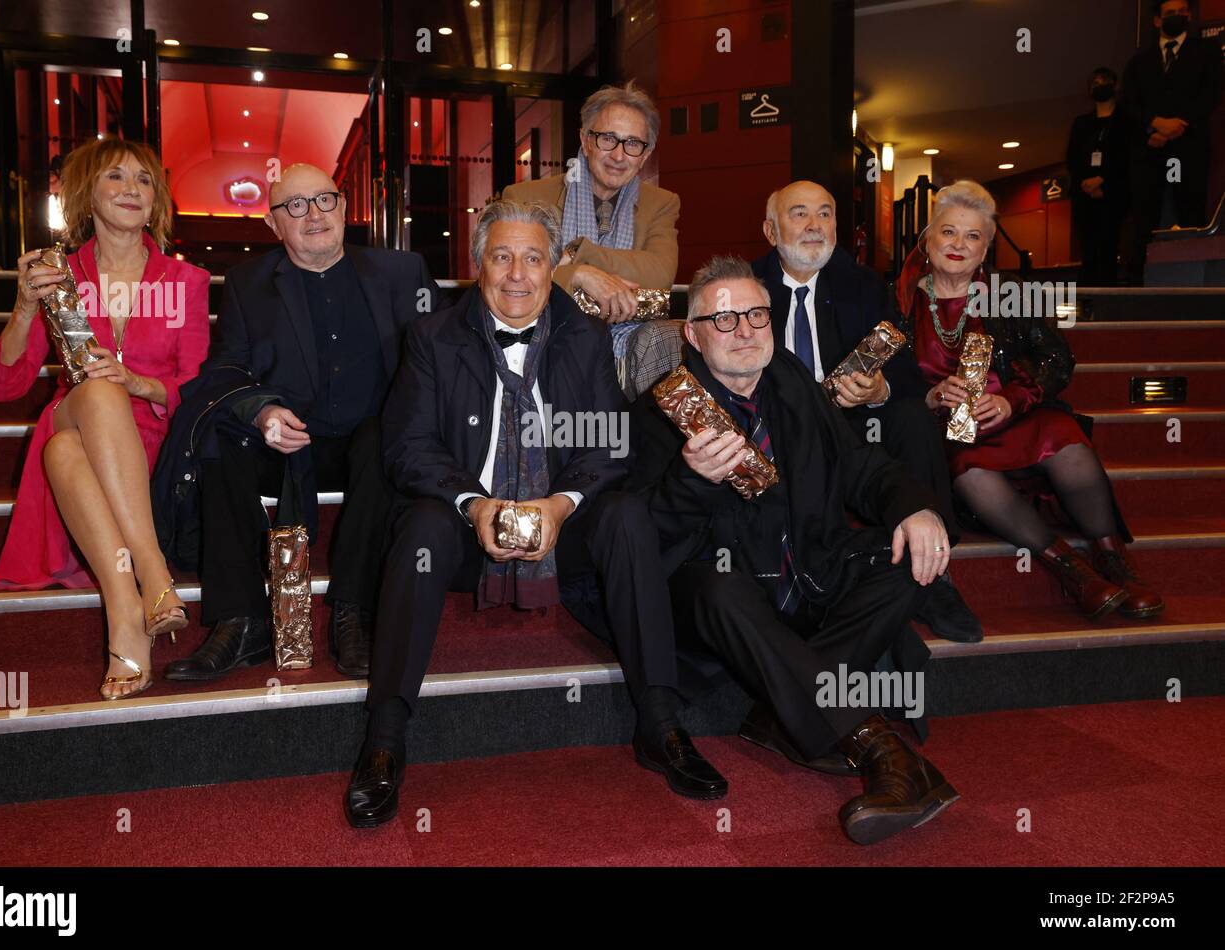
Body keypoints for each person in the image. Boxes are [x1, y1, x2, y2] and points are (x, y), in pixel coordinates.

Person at [343, 200, 726, 828]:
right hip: (468, 527)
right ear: (477, 265)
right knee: (422, 528)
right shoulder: (432, 337)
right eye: (501, 257)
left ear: (554, 268)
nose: (517, 274)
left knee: (627, 516)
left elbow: (608, 445)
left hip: (558, 524)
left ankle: (661, 724)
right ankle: (384, 738)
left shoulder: (585, 336)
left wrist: (558, 504)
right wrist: (474, 505)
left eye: (532, 258)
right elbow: (406, 448)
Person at [627, 255, 960, 845]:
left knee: (912, 556)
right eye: (724, 319)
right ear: (692, 332)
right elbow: (638, 536)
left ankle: (782, 712)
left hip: (809, 571)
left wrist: (916, 506)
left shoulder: (796, 387)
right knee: (714, 586)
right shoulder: (659, 413)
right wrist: (689, 480)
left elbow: (861, 468)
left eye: (757, 314)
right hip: (721, 596)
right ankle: (885, 754)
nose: (746, 330)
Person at [159, 163, 440, 683]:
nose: (314, 215)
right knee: (222, 438)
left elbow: (440, 360)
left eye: (325, 200)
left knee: (388, 438)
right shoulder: (248, 282)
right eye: (295, 205)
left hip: (368, 441)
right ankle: (241, 620)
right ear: (273, 223)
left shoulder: (402, 274)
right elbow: (225, 369)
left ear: (343, 206)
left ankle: (354, 613)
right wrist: (261, 411)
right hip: (284, 442)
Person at [0, 138, 210, 700]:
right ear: (87, 193)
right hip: (76, 416)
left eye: (144, 180)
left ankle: (126, 611)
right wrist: (26, 306)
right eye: (116, 177)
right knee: (95, 393)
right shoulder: (58, 274)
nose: (132, 189)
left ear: (156, 201)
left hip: (144, 440)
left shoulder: (187, 282)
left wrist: (138, 383)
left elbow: (202, 389)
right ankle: (154, 573)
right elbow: (2, 385)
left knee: (65, 445)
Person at [897, 180, 1163, 620]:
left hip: (1016, 415)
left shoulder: (1007, 292)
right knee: (969, 472)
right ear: (928, 239)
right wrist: (928, 396)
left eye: (973, 236)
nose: (958, 244)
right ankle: (1074, 572)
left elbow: (1058, 358)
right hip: (952, 434)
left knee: (1066, 438)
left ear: (985, 251)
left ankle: (1113, 558)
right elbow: (887, 382)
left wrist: (1013, 400)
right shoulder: (900, 300)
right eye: (948, 232)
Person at [752, 180, 982, 644]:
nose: (815, 226)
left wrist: (879, 389)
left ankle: (935, 572)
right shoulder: (746, 286)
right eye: (799, 214)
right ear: (771, 230)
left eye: (826, 213)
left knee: (913, 417)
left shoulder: (863, 286)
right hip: (777, 429)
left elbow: (909, 377)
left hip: (855, 426)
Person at [502, 81, 682, 398]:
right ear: (585, 140)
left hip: (629, 345)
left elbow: (660, 272)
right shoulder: (526, 198)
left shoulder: (661, 203)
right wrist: (581, 276)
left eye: (633, 144)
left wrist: (578, 254)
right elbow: (514, 276)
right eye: (608, 139)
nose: (618, 155)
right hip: (543, 338)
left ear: (646, 154)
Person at [1121, 0, 1224, 279]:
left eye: (1181, 12)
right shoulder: (1138, 62)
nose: (1176, 17)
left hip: (1189, 150)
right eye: (1169, 14)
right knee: (1144, 221)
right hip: (1149, 152)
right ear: (1157, 21)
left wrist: (1178, 126)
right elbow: (1128, 104)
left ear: (1189, 16)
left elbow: (1211, 94)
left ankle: (1190, 288)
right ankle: (1136, 291)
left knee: (1190, 215)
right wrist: (1155, 125)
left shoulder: (1206, 52)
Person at [1066, 67, 1132, 286]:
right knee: (1088, 250)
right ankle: (1087, 304)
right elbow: (1073, 159)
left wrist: (1103, 181)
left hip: (1113, 196)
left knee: (1108, 249)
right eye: (1094, 82)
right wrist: (1086, 184)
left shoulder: (1125, 121)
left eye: (1104, 81)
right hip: (1084, 197)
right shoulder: (1082, 123)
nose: (1098, 85)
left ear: (1115, 86)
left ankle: (1106, 304)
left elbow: (1127, 158)